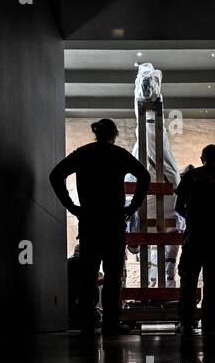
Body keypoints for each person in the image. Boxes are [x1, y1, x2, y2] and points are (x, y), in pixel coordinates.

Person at [50, 118, 150, 336]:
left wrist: (71, 206)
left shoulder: (83, 153)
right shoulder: (119, 154)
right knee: (113, 275)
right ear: (114, 134)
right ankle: (110, 323)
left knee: (88, 274)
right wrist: (132, 206)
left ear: (96, 133)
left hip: (90, 221)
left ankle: (88, 323)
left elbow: (56, 175)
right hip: (113, 222)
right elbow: (145, 176)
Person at [174, 144, 215, 335]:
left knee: (188, 279)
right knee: (212, 281)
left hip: (194, 235)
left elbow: (178, 206)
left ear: (201, 158)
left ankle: (186, 322)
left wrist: (192, 218)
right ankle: (209, 322)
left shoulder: (190, 177)